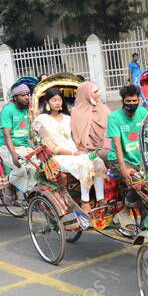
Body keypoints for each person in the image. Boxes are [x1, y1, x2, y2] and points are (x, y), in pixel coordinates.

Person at [34, 87, 106, 215]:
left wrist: (84, 149)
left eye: (59, 100)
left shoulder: (68, 118)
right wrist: (74, 153)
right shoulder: (41, 119)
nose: (57, 103)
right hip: (57, 157)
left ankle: (100, 199)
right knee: (85, 164)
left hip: (76, 154)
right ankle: (85, 201)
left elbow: (77, 138)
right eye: (54, 100)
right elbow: (50, 146)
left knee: (98, 161)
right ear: (47, 103)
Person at [0, 84, 37, 194]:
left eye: (28, 95)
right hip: (7, 146)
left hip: (25, 146)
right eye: (23, 95)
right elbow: (7, 135)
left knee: (36, 167)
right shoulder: (7, 110)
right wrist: (14, 155)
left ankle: (31, 194)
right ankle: (9, 183)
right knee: (21, 168)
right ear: (15, 97)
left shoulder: (29, 109)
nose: (26, 97)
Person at [107, 84, 148, 185]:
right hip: (119, 160)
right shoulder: (114, 117)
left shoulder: (143, 112)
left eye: (134, 101)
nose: (131, 103)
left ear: (139, 100)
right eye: (128, 101)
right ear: (122, 101)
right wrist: (123, 169)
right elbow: (117, 145)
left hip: (139, 159)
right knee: (138, 183)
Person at [70, 80, 111, 163]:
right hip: (88, 153)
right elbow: (78, 138)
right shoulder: (76, 112)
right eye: (95, 92)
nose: (98, 94)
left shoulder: (103, 108)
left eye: (97, 91)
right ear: (86, 95)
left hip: (108, 147)